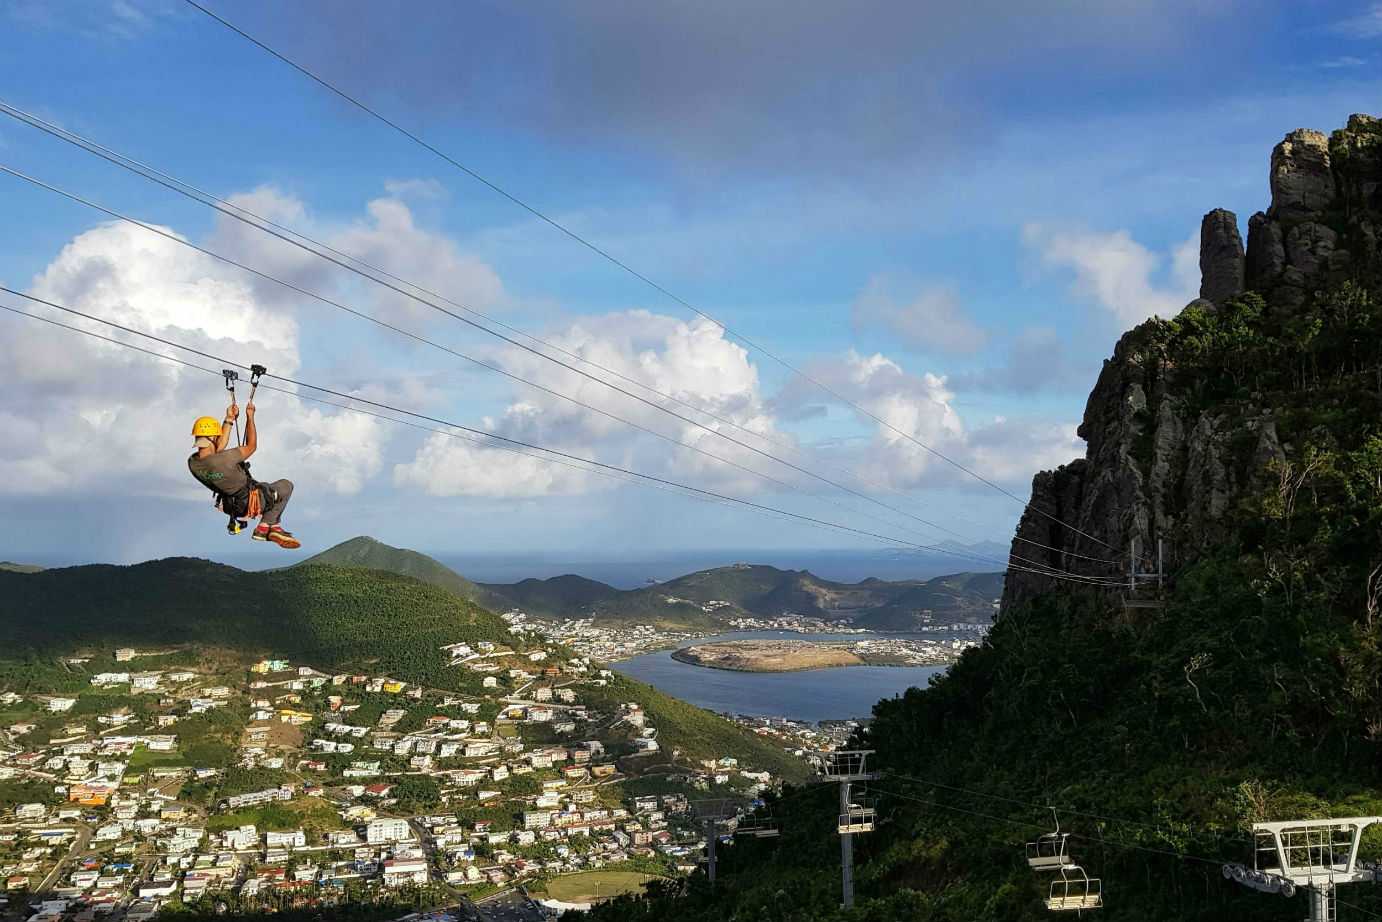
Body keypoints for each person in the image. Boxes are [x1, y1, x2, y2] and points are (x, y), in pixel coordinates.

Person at [188, 400, 300, 549]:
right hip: (251, 504)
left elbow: (216, 448)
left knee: (266, 488)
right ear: (213, 438)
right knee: (285, 486)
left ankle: (274, 527)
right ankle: (265, 527)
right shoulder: (224, 459)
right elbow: (252, 446)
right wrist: (250, 417)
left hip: (231, 506)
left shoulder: (194, 463)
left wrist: (229, 419)